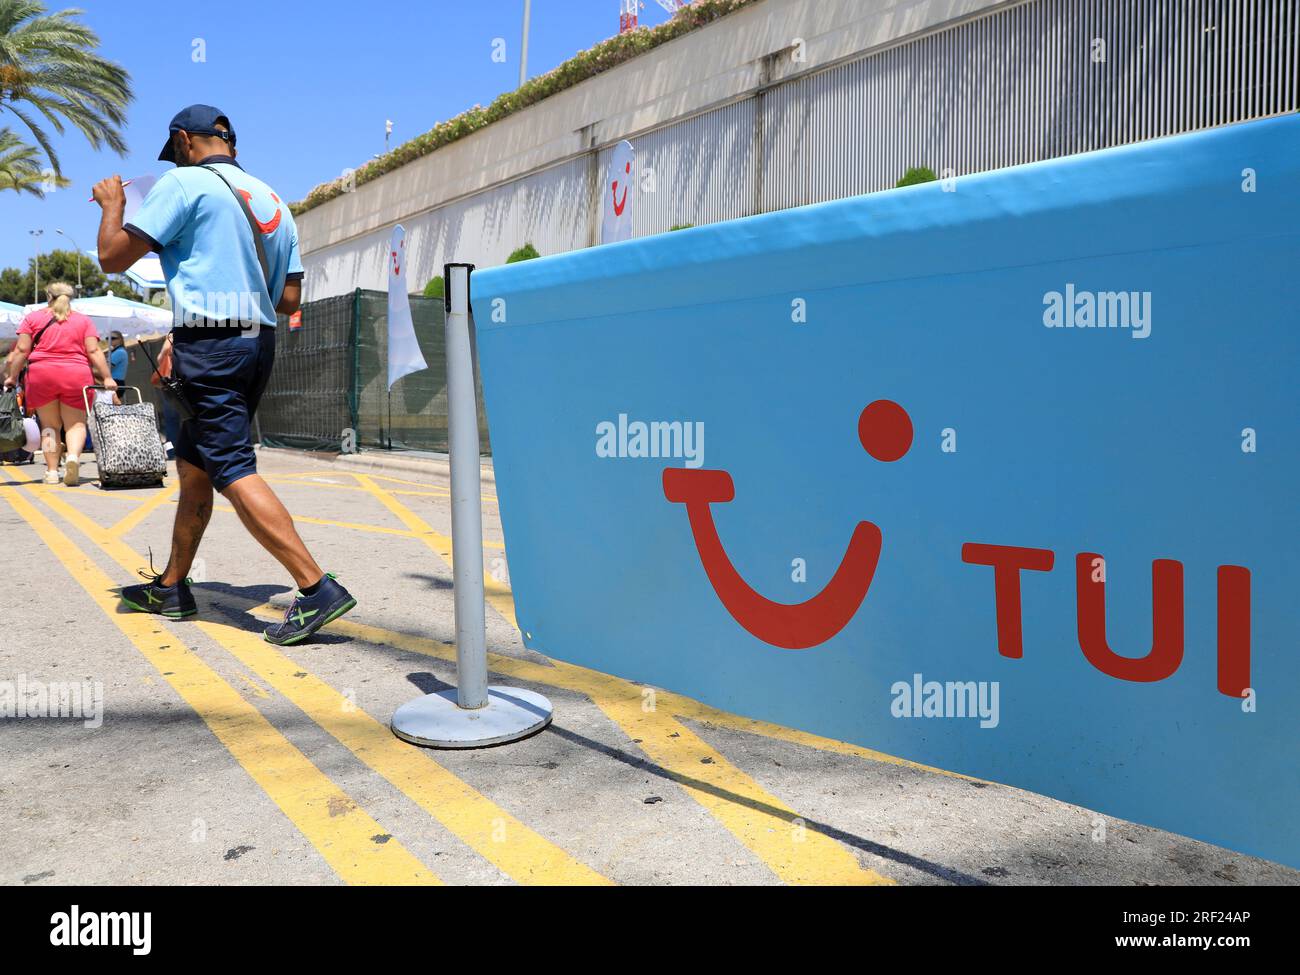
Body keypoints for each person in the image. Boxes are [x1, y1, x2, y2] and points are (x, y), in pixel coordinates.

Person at [93, 103, 355, 643]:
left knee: (231, 466)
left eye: (176, 151)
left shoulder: (184, 183)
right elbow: (288, 298)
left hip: (209, 347)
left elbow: (112, 258)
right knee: (194, 466)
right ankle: (172, 586)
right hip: (255, 345)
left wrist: (113, 205)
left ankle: (315, 587)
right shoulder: (275, 201)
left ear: (185, 142)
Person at [3, 282, 117, 486]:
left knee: (49, 426)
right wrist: (107, 377)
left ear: (48, 295)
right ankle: (73, 458)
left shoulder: (33, 318)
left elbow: (21, 350)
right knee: (76, 424)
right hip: (76, 374)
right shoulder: (83, 321)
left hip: (41, 374)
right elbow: (94, 351)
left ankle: (52, 471)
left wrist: (12, 376)